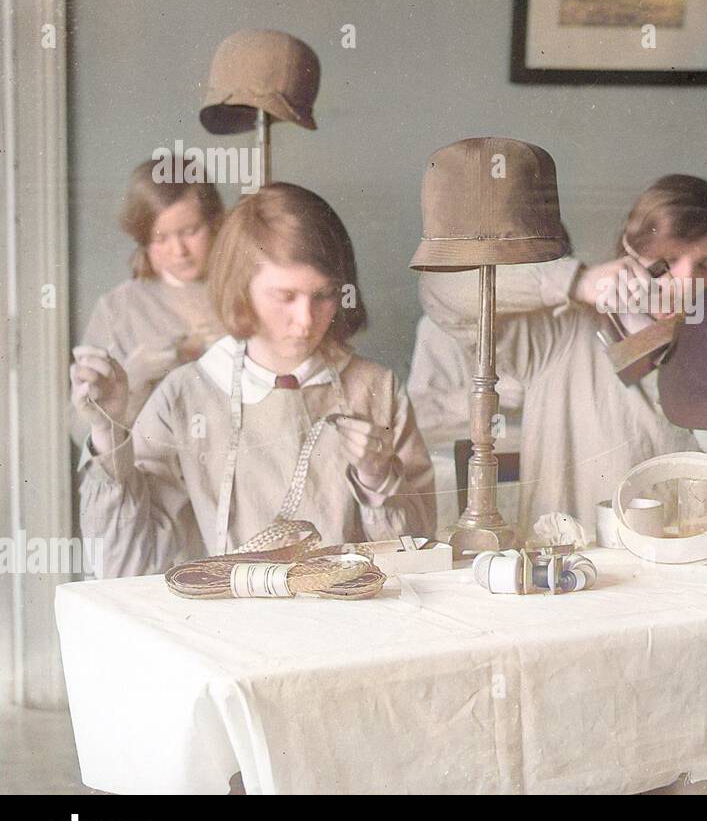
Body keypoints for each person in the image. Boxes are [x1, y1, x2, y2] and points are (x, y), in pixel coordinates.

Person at [72, 183, 435, 578]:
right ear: (241, 290)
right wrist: (106, 430)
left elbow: (418, 560)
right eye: (285, 296)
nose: (306, 320)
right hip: (227, 626)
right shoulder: (187, 395)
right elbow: (120, 565)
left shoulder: (376, 388)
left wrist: (376, 477)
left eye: (323, 295)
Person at [417, 173, 707, 542]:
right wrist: (575, 281)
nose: (686, 286)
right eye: (667, 260)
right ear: (630, 253)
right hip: (576, 576)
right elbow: (438, 291)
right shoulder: (560, 333)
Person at [71, 161, 225, 441]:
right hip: (156, 471)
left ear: (214, 222)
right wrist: (133, 378)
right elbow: (82, 432)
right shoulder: (118, 308)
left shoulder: (245, 289)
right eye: (161, 238)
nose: (179, 251)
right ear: (142, 239)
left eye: (190, 231)